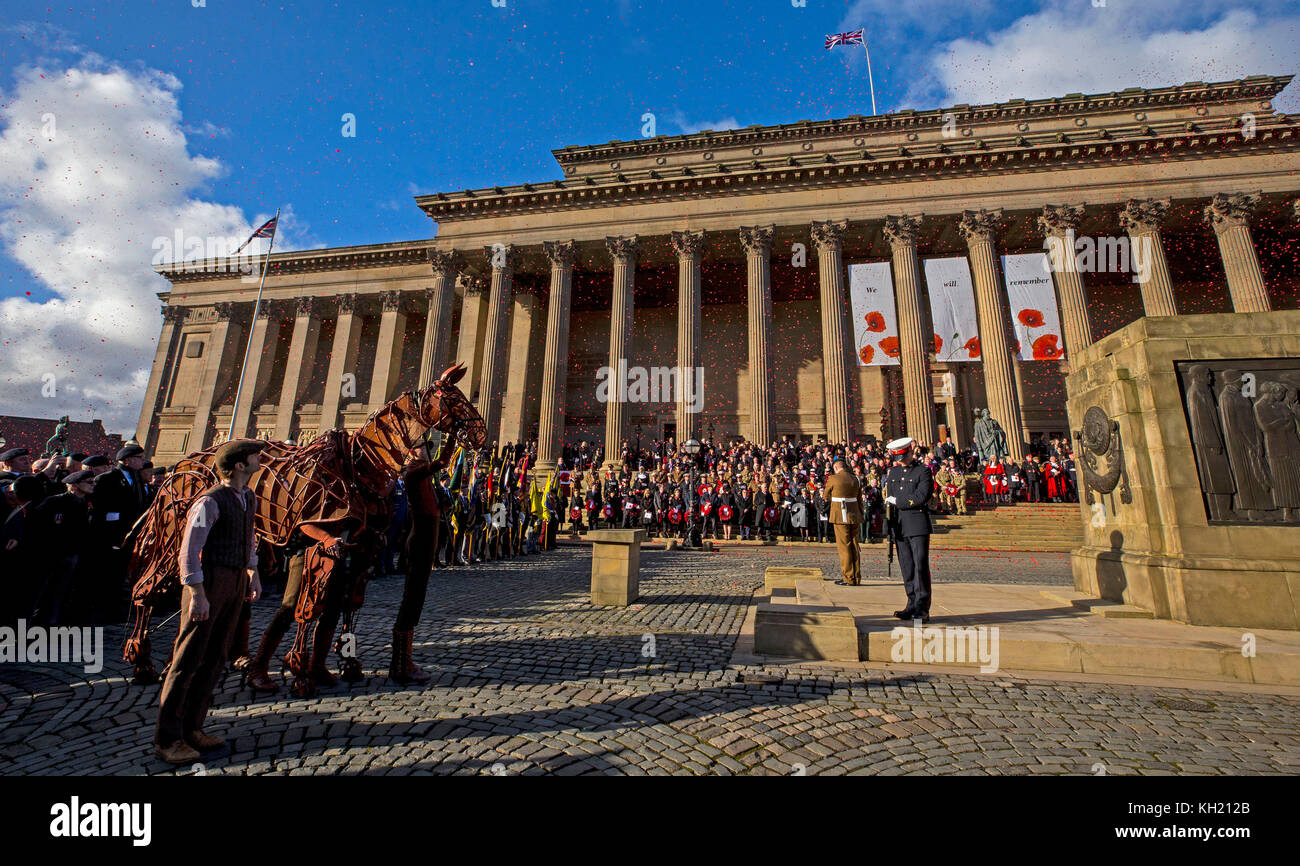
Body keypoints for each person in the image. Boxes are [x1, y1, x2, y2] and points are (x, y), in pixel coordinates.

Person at [154, 439, 265, 764]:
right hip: (209, 580)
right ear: (240, 465)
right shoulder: (209, 502)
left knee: (216, 656)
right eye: (254, 455)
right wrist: (197, 594)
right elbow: (189, 551)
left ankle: (193, 728)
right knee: (187, 659)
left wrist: (253, 572)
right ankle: (168, 739)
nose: (260, 458)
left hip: (234, 579)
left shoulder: (247, 496)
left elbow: (249, 537)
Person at [28, 469, 97, 626]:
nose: (93, 485)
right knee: (44, 592)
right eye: (89, 482)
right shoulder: (55, 502)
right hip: (53, 554)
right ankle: (36, 624)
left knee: (62, 591)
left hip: (73, 554)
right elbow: (38, 525)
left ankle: (53, 622)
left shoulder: (87, 502)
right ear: (74, 485)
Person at [883, 437, 934, 622]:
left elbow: (922, 496)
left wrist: (900, 501)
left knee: (920, 566)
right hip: (900, 524)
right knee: (907, 567)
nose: (900, 460)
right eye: (898, 457)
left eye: (903, 456)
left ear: (911, 452)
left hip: (917, 523)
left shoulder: (923, 471)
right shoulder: (894, 472)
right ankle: (911, 603)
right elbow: (890, 495)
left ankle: (922, 608)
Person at [823, 457, 864, 585]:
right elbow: (859, 498)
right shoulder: (855, 479)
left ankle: (848, 577)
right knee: (854, 545)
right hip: (854, 514)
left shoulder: (833, 479)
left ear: (836, 468)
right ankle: (856, 577)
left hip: (840, 516)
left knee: (844, 547)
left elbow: (826, 495)